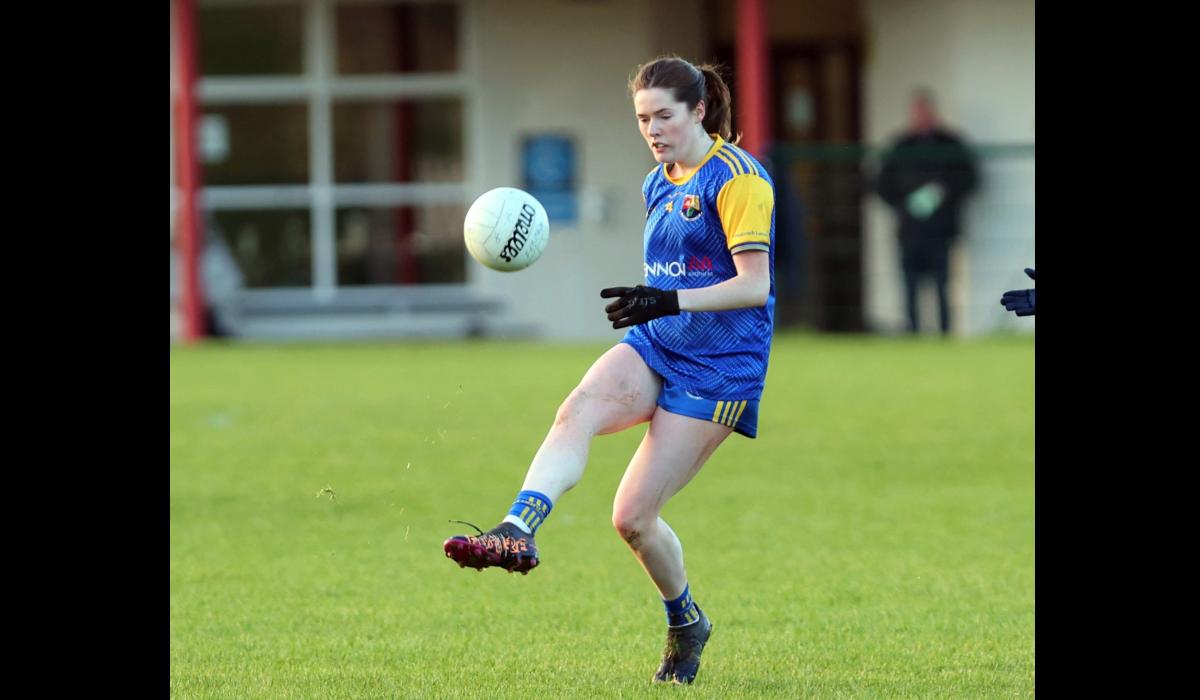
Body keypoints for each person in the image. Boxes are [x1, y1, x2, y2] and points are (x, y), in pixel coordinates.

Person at [443, 56, 776, 686]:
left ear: (699, 110)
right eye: (642, 119)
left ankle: (687, 623)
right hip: (659, 341)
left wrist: (665, 299)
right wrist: (659, 306)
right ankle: (519, 527)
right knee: (579, 407)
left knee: (632, 519)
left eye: (664, 117)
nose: (652, 130)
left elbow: (754, 285)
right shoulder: (661, 179)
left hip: (720, 368)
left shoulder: (739, 180)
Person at [876, 88, 978, 335]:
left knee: (943, 286)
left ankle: (945, 333)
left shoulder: (951, 144)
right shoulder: (900, 146)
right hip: (909, 230)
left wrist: (941, 193)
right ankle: (912, 334)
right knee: (909, 287)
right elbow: (881, 185)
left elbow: (970, 179)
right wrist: (905, 204)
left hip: (941, 230)